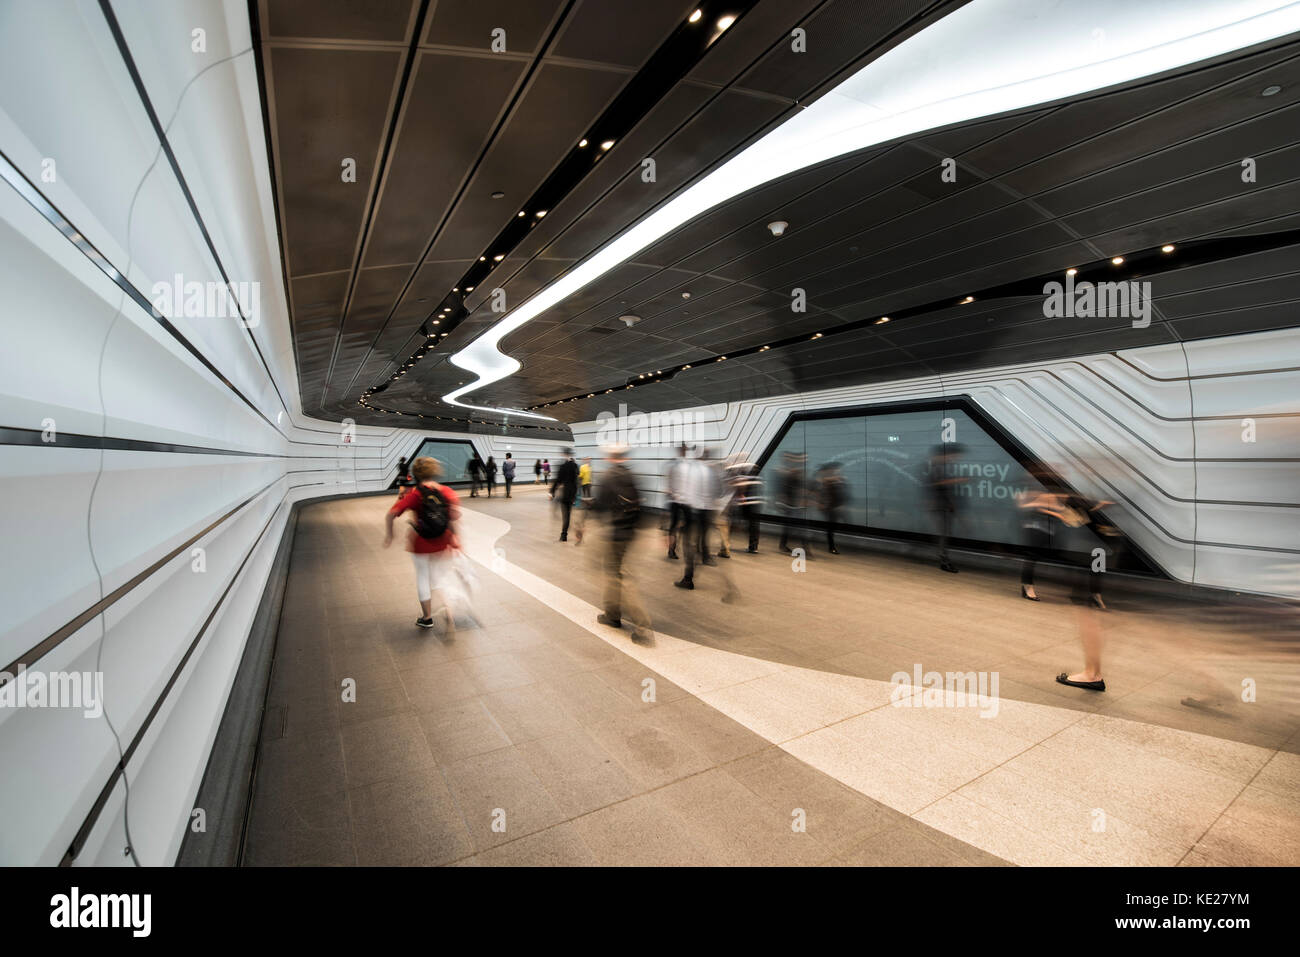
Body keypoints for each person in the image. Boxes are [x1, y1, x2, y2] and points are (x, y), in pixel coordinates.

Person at [383, 456, 461, 635]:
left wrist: (390, 535)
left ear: (417, 473)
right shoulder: (447, 492)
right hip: (443, 541)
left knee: (423, 578)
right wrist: (456, 538)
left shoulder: (416, 494)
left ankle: (427, 618)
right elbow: (454, 516)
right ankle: (449, 611)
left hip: (421, 543)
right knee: (440, 578)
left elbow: (391, 514)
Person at [591, 444, 652, 642]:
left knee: (619, 578)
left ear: (610, 457)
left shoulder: (608, 477)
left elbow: (599, 506)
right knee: (612, 574)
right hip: (629, 533)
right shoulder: (631, 476)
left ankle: (643, 626)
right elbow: (641, 506)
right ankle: (611, 614)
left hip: (615, 534)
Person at [925, 444, 967, 572]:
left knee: (944, 533)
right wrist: (958, 480)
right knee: (943, 533)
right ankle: (944, 560)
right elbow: (937, 484)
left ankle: (943, 558)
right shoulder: (936, 467)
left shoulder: (941, 467)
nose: (954, 458)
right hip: (939, 506)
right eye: (953, 455)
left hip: (943, 505)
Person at [728, 455, 763, 553]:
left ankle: (726, 544)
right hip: (755, 501)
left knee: (733, 521)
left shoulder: (741, 470)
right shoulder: (754, 469)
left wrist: (741, 494)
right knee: (754, 525)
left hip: (746, 501)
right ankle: (753, 547)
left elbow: (741, 483)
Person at [777, 451, 810, 557]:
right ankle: (805, 548)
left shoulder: (796, 477)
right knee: (798, 527)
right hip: (791, 505)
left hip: (796, 506)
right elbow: (786, 491)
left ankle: (783, 544)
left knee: (790, 527)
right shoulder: (789, 477)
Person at [815, 462, 848, 554]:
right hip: (828, 507)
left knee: (832, 526)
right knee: (830, 527)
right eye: (834, 469)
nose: (835, 470)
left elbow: (840, 491)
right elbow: (822, 483)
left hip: (835, 506)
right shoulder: (824, 479)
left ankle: (830, 543)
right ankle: (831, 547)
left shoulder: (834, 478)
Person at [665, 444, 689, 560]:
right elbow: (669, 483)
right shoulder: (675, 464)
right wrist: (674, 495)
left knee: (677, 526)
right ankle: (671, 550)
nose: (684, 451)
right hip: (675, 501)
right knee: (674, 526)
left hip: (682, 500)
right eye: (683, 449)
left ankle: (673, 549)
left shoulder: (686, 464)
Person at [550, 448, 579, 541]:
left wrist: (552, 492)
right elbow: (576, 481)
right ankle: (564, 533)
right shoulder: (575, 466)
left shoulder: (563, 466)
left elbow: (558, 480)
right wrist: (575, 495)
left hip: (565, 493)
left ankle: (564, 535)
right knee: (568, 514)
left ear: (564, 454)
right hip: (572, 493)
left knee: (565, 514)